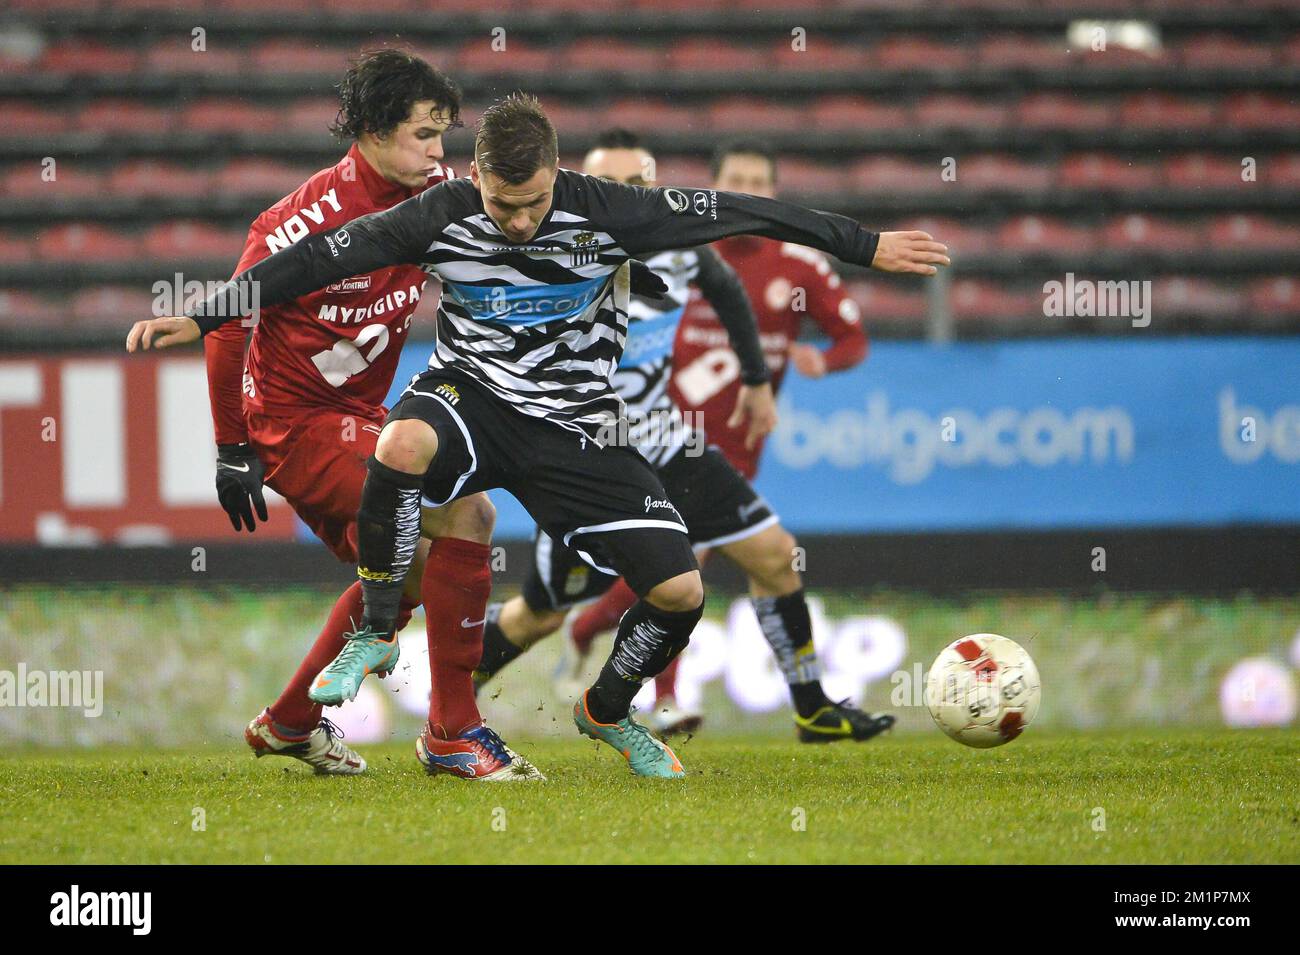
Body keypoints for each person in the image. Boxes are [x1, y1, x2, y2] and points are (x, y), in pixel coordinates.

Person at [126, 93, 949, 779]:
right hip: (472, 397)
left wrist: (866, 244)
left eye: (533, 202)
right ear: (474, 174)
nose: (517, 222)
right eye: (500, 203)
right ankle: (376, 632)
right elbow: (310, 262)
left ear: (559, 172)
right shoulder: (437, 211)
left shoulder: (614, 211)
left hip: (577, 423)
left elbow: (745, 212)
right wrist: (203, 314)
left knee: (680, 593)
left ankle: (607, 707)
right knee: (399, 445)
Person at [471, 130, 894, 747]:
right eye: (609, 185)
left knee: (775, 557)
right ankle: (453, 696)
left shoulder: (680, 247)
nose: (624, 196)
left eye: (636, 185)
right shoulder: (553, 253)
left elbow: (726, 290)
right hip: (592, 458)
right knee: (541, 612)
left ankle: (812, 707)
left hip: (671, 445)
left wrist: (755, 379)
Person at [183, 49, 535, 781]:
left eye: (445, 134)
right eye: (423, 134)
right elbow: (226, 321)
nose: (441, 152)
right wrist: (231, 446)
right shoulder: (298, 222)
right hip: (295, 421)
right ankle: (453, 731)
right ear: (374, 130)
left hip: (360, 410)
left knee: (412, 568)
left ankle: (289, 722)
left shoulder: (437, 193)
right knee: (465, 516)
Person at [566, 139, 872, 734]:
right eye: (738, 178)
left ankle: (810, 707)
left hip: (724, 443)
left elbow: (842, 337)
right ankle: (646, 701)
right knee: (680, 572)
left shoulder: (777, 263)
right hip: (641, 438)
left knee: (770, 557)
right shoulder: (600, 249)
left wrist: (785, 373)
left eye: (760, 177)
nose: (750, 188)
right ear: (713, 188)